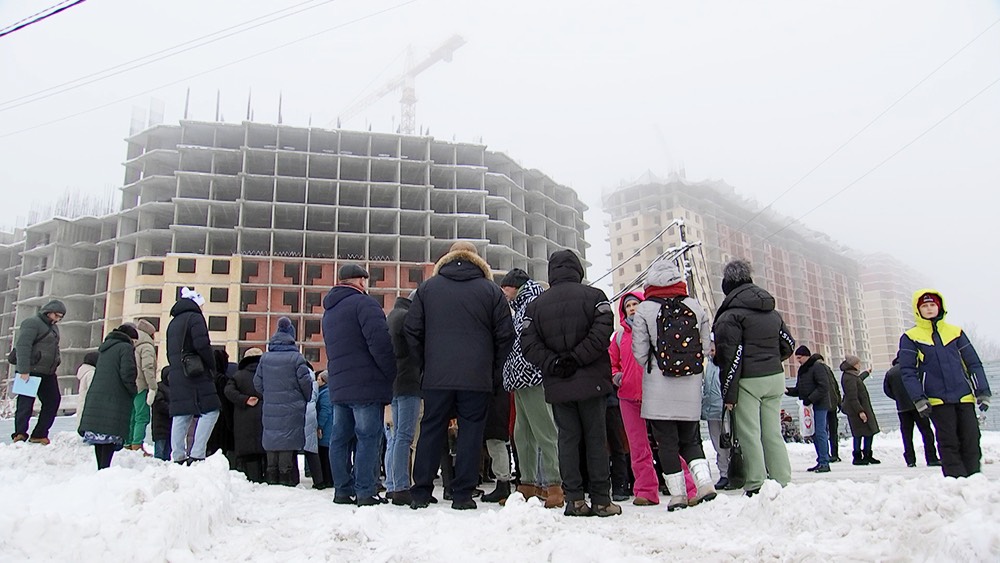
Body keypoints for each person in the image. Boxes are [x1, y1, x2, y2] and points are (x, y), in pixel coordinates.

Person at [405, 242, 514, 511]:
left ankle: (421, 491)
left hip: (436, 375)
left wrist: (424, 365)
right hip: (477, 377)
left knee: (431, 429)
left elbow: (412, 329)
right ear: (477, 260)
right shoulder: (491, 291)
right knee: (471, 431)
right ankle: (463, 494)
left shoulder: (428, 288)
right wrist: (493, 370)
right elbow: (506, 335)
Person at [520, 249, 620, 517]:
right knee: (596, 440)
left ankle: (574, 499)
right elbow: (603, 332)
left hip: (558, 384)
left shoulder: (535, 306)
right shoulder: (595, 297)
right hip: (592, 382)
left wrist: (554, 363)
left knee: (567, 439)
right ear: (578, 270)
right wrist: (577, 358)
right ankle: (601, 499)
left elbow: (528, 344)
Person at [632, 260, 715, 510]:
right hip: (689, 384)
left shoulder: (645, 310)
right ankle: (705, 484)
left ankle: (678, 496)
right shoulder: (695, 306)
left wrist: (656, 365)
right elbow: (704, 347)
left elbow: (639, 352)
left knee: (666, 442)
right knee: (691, 439)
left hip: (659, 385)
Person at [713, 259, 794, 496]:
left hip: (747, 379)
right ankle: (782, 479)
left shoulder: (731, 316)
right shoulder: (772, 312)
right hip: (775, 377)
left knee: (749, 433)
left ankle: (756, 482)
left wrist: (729, 393)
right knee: (772, 432)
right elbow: (789, 344)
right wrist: (771, 358)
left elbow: (729, 357)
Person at [323, 264, 396, 505]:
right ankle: (365, 491)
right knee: (368, 436)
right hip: (366, 384)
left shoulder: (330, 311)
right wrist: (390, 373)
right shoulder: (365, 304)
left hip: (339, 385)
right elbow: (380, 343)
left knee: (340, 438)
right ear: (361, 282)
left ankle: (342, 491)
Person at [899, 290, 990, 477]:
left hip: (963, 396)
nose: (929, 308)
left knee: (971, 439)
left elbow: (973, 363)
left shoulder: (955, 332)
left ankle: (974, 480)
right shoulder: (910, 337)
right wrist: (919, 399)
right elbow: (908, 372)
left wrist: (982, 391)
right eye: (924, 306)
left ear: (939, 306)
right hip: (937, 399)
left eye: (932, 305)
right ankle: (956, 483)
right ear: (918, 310)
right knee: (949, 441)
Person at [500, 268, 563, 508]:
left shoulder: (535, 305)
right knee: (522, 432)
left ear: (514, 286)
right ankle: (527, 484)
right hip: (520, 379)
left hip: (533, 376)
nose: (503, 293)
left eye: (505, 288)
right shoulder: (522, 307)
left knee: (544, 431)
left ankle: (555, 484)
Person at [609, 290, 659, 506]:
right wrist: (617, 376)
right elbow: (612, 362)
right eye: (628, 306)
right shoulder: (619, 336)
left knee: (667, 442)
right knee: (638, 446)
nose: (632, 308)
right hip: (628, 396)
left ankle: (686, 485)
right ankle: (645, 490)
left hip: (655, 393)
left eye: (635, 304)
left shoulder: (654, 330)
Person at [254, 317, 313, 486]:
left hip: (271, 407)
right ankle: (286, 478)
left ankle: (271, 477)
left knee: (272, 439)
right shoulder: (297, 358)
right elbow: (306, 383)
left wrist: (270, 394)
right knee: (288, 440)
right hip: (292, 408)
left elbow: (257, 384)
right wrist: (303, 398)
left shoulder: (265, 358)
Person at [166, 287, 221, 464]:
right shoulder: (195, 318)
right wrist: (211, 366)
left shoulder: (173, 322)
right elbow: (202, 344)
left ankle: (178, 456)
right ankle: (197, 454)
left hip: (178, 373)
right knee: (211, 410)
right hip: (195, 372)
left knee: (182, 414)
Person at [77, 325, 139, 469]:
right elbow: (127, 373)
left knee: (101, 436)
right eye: (134, 341)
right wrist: (132, 390)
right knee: (111, 433)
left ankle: (102, 468)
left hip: (98, 396)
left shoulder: (105, 348)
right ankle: (106, 468)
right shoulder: (125, 348)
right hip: (115, 397)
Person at [383, 291, 423, 506]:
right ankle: (401, 487)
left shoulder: (393, 315)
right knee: (404, 437)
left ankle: (393, 484)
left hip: (396, 382)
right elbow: (415, 349)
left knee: (397, 436)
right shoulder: (406, 318)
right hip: (409, 382)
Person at [11, 299, 66, 444]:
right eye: (56, 315)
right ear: (48, 312)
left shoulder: (54, 328)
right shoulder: (32, 323)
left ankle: (39, 433)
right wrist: (23, 370)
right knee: (25, 404)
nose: (58, 319)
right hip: (30, 370)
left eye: (60, 317)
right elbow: (23, 346)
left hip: (48, 372)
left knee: (53, 401)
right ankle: (20, 434)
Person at [883, 354, 940, 468]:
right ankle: (931, 458)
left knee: (907, 434)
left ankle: (910, 460)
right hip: (919, 406)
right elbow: (925, 384)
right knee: (926, 432)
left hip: (902, 408)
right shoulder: (914, 370)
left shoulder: (891, 373)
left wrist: (898, 398)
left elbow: (887, 390)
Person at [786, 346, 831, 473]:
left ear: (806, 356)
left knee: (820, 432)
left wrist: (810, 399)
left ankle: (824, 462)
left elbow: (823, 386)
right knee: (815, 433)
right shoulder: (803, 370)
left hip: (819, 405)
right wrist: (788, 391)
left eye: (800, 358)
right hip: (809, 406)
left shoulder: (817, 367)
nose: (798, 360)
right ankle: (820, 460)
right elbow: (800, 388)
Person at [225, 348, 267, 482]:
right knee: (264, 449)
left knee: (248, 451)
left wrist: (244, 399)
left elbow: (228, 391)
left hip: (243, 417)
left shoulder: (238, 375)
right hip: (264, 415)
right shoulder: (267, 375)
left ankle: (249, 477)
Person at [840, 355, 880, 465]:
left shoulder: (852, 376)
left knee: (868, 432)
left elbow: (858, 380)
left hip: (860, 408)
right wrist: (860, 411)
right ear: (852, 365)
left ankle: (867, 455)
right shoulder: (848, 377)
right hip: (856, 410)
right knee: (859, 434)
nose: (859, 366)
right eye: (858, 364)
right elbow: (852, 396)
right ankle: (858, 457)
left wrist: (866, 373)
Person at [126, 319, 157, 454]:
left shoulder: (131, 345)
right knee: (142, 416)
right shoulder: (147, 347)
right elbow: (148, 367)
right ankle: (137, 445)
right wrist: (153, 387)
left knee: (131, 416)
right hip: (142, 386)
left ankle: (128, 443)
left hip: (131, 386)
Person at [701, 341, 729, 489]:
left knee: (727, 442)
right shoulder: (710, 365)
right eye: (710, 349)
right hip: (712, 410)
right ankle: (724, 473)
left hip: (724, 409)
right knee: (718, 444)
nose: (711, 353)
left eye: (713, 349)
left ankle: (732, 471)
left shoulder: (725, 363)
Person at [315, 371, 335, 490]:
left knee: (325, 454)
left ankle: (328, 479)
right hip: (328, 428)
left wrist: (320, 426)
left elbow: (325, 411)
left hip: (327, 429)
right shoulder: (324, 392)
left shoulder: (325, 393)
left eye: (319, 379)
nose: (317, 381)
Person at [150, 367, 172, 461]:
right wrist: (172, 409)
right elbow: (159, 404)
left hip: (169, 426)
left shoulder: (173, 389)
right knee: (159, 453)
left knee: (167, 453)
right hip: (160, 427)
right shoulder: (159, 388)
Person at [826, 360, 843, 462]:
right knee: (832, 431)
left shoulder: (826, 371)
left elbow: (836, 388)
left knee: (831, 431)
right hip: (830, 405)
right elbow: (836, 388)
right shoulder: (828, 371)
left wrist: (839, 402)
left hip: (829, 405)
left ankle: (833, 454)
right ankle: (833, 453)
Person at [75, 352, 99, 425]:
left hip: (82, 402)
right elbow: (93, 389)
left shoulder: (84, 371)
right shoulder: (91, 373)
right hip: (89, 405)